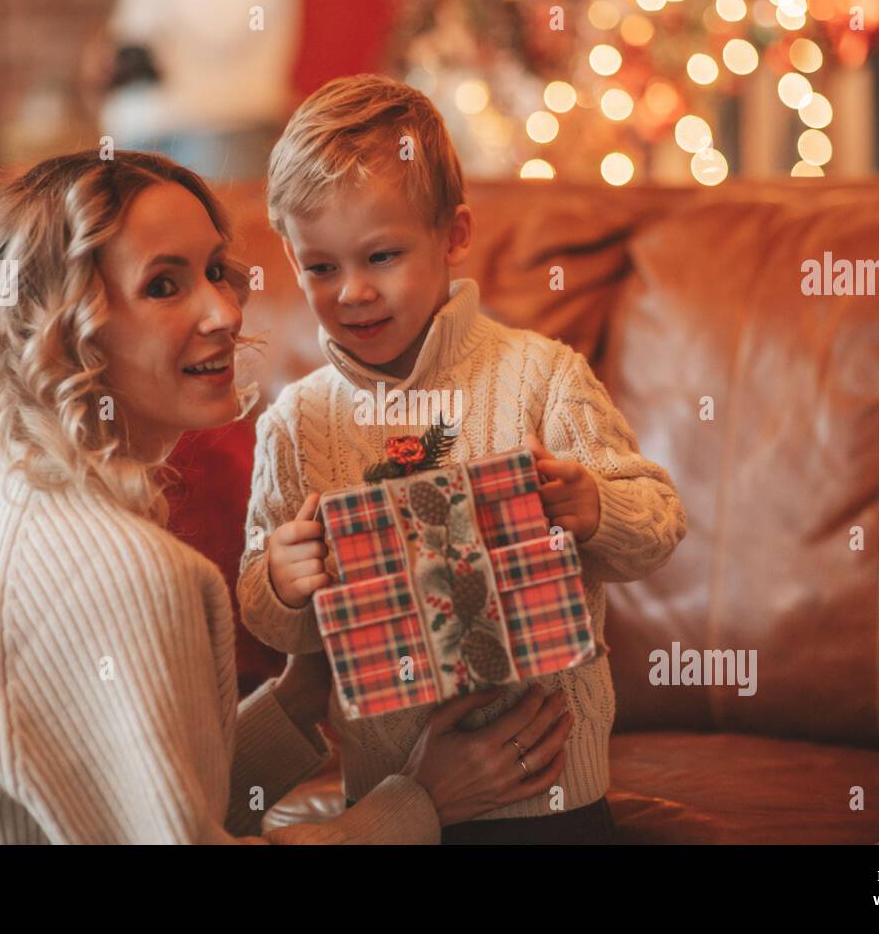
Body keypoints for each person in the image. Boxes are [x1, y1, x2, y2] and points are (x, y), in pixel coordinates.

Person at [0, 150, 572, 844]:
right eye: (164, 286)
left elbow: (147, 803)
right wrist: (420, 802)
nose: (226, 310)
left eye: (214, 271)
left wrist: (301, 695)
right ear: (62, 329)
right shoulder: (133, 576)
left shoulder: (7, 503)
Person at [237, 75, 688, 844]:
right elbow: (277, 622)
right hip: (396, 800)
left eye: (382, 256)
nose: (352, 292)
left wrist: (596, 509)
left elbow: (660, 523)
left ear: (453, 236)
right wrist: (280, 580)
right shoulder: (295, 424)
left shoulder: (541, 376)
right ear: (289, 255)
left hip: (556, 796)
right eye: (320, 268)